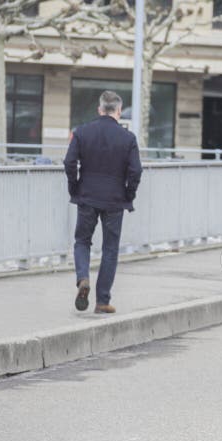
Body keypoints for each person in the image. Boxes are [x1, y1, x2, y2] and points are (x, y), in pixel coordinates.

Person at [63, 90, 142, 314]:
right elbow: (136, 170)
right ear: (118, 111)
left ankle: (83, 278)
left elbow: (69, 162)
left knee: (82, 241)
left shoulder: (83, 132)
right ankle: (102, 301)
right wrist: (129, 194)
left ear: (99, 109)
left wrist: (74, 186)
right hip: (115, 200)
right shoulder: (128, 138)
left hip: (87, 195)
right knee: (110, 249)